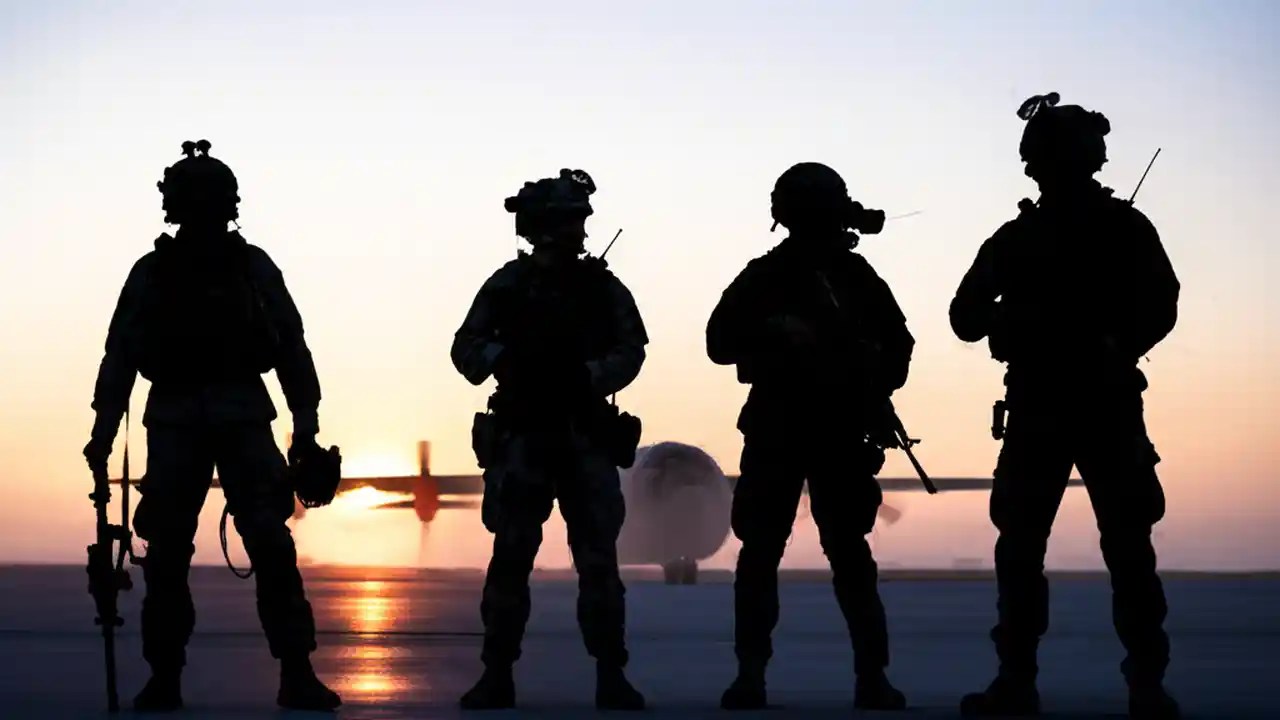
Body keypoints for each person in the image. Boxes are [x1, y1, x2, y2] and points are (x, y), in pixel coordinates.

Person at [82, 140, 341, 712]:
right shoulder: (156, 273)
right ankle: (170, 676)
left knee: (268, 546)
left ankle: (293, 671)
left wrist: (306, 425)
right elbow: (121, 352)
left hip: (235, 417)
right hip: (187, 419)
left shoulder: (248, 268)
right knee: (172, 554)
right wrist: (103, 429)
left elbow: (291, 344)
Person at [949, 93, 1181, 719]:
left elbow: (966, 320)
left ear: (1035, 164)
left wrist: (1101, 340)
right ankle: (1131, 685)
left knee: (1062, 547)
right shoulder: (1102, 230)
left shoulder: (1036, 237)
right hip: (1066, 406)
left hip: (1074, 405)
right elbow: (968, 319)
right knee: (1091, 547)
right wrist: (1043, 325)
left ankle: (1030, 682)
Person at [706, 162, 915, 711]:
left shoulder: (852, 278)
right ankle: (755, 675)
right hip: (782, 426)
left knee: (840, 554)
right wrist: (778, 331)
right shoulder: (772, 277)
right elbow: (720, 340)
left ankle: (868, 677)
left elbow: (898, 347)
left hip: (837, 428)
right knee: (772, 552)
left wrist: (866, 376)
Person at [450, 168, 648, 711]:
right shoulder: (507, 286)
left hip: (583, 437)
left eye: (579, 220)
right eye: (565, 220)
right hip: (524, 439)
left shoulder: (602, 289)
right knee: (511, 559)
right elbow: (465, 348)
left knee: (599, 565)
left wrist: (587, 376)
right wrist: (507, 362)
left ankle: (612, 673)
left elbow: (632, 351)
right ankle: (496, 673)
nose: (576, 230)